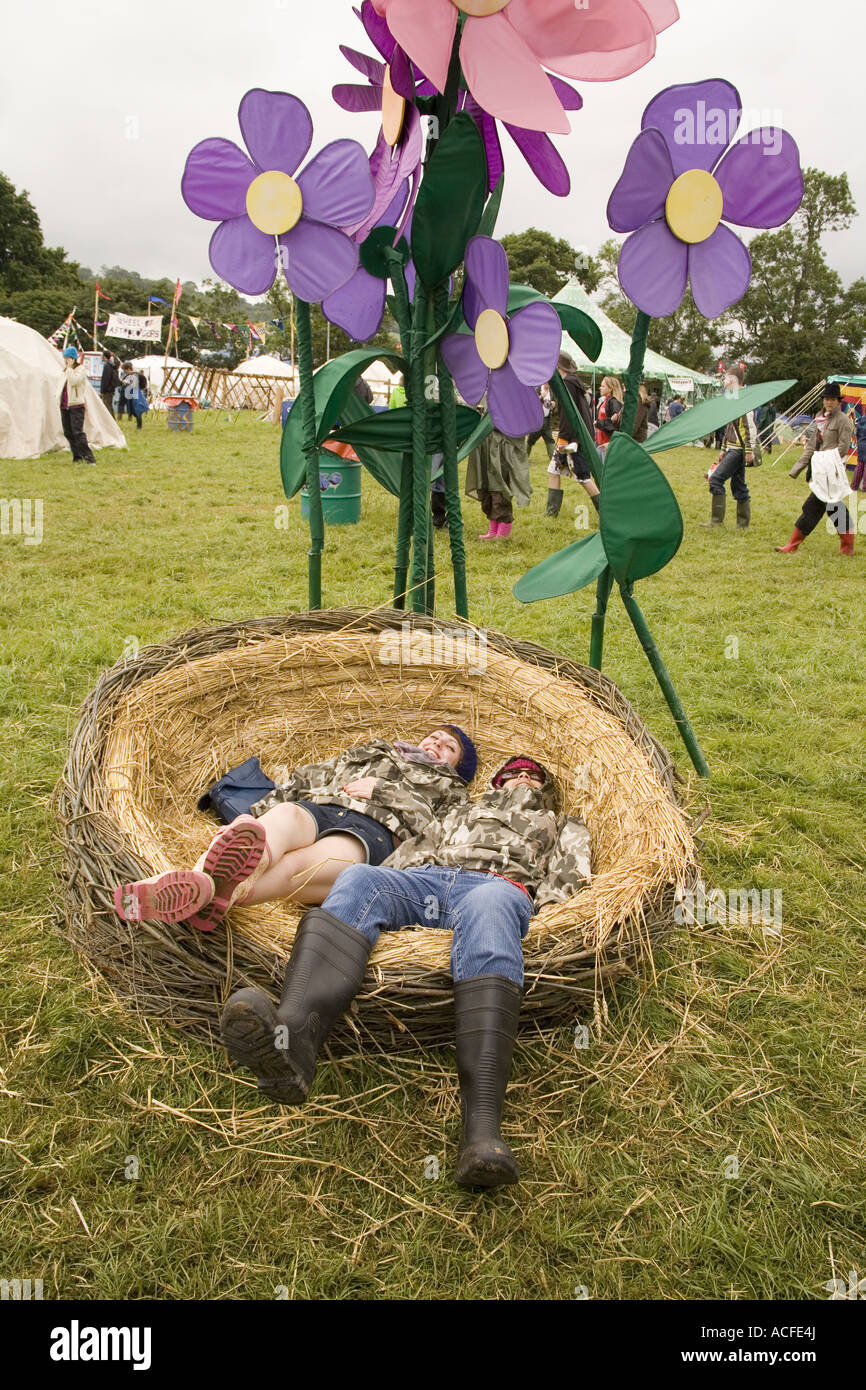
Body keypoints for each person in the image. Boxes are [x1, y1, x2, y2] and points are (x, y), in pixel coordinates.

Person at [219, 754, 591, 1188]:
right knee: (359, 880)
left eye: (532, 776)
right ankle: (294, 1038)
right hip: (430, 879)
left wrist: (540, 912)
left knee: (491, 915)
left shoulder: (562, 822)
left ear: (544, 788)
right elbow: (418, 845)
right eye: (514, 773)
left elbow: (570, 874)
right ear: (498, 781)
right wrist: (386, 891)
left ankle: (482, 1134)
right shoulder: (461, 807)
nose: (523, 779)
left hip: (497, 886)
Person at [114, 726, 477, 929]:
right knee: (281, 820)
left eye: (449, 748)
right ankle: (205, 886)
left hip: (373, 833)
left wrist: (384, 792)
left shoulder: (452, 790)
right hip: (321, 806)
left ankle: (180, 890)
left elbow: (439, 834)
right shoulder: (377, 750)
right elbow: (310, 776)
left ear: (457, 768)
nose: (435, 745)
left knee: (299, 867)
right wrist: (257, 813)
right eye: (433, 736)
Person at [775, 383, 855, 555]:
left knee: (812, 506)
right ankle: (847, 546)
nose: (829, 402)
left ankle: (793, 545)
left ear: (838, 401)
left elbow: (843, 446)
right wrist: (796, 469)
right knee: (834, 507)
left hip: (831, 471)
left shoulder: (843, 421)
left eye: (832, 399)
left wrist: (825, 460)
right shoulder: (820, 418)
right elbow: (812, 446)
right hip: (820, 471)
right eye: (827, 399)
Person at [704, 366, 759, 530]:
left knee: (715, 480)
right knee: (739, 485)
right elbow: (731, 427)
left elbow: (750, 428)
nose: (724, 381)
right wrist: (723, 448)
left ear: (734, 380)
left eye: (726, 378)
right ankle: (742, 524)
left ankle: (716, 520)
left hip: (738, 450)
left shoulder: (744, 400)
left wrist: (749, 451)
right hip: (733, 448)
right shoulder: (734, 399)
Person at [546, 354, 599, 517]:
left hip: (574, 438)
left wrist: (564, 438)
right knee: (553, 470)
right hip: (574, 436)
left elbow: (569, 415)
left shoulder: (568, 382)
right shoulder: (572, 381)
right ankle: (551, 512)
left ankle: (605, 510)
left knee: (583, 476)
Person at [467, 428, 531, 539]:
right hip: (488, 441)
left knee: (500, 490)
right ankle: (492, 531)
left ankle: (502, 534)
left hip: (504, 444)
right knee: (488, 489)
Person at [59, 347, 95, 464]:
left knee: (78, 432)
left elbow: (75, 381)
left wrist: (69, 369)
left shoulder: (80, 369)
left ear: (74, 359)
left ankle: (89, 457)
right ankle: (77, 456)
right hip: (65, 405)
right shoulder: (65, 370)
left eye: (68, 358)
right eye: (65, 358)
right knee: (68, 432)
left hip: (76, 405)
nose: (66, 360)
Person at [595, 376, 624, 459]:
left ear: (611, 388)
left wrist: (598, 423)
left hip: (607, 444)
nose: (600, 388)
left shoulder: (614, 402)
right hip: (600, 442)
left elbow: (614, 423)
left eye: (603, 386)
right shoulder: (605, 401)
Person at [526, 383, 555, 462]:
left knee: (549, 439)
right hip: (537, 420)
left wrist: (553, 404)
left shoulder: (551, 391)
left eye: (549, 383)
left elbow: (554, 402)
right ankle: (524, 458)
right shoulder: (538, 389)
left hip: (547, 420)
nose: (548, 385)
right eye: (547, 383)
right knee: (531, 439)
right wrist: (541, 396)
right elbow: (531, 401)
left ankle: (553, 461)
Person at [100, 351, 119, 417]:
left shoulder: (107, 366)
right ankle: (112, 420)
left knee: (106, 405)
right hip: (111, 388)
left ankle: (110, 421)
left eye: (102, 355)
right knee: (109, 405)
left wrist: (103, 390)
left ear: (104, 356)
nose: (101, 357)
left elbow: (106, 379)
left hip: (107, 389)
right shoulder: (112, 365)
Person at [852, 407, 866, 492]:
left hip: (861, 444)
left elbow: (857, 433)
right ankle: (865, 487)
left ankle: (854, 485)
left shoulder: (860, 420)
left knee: (860, 466)